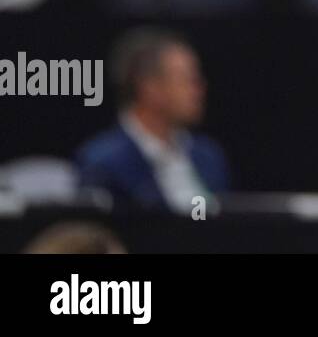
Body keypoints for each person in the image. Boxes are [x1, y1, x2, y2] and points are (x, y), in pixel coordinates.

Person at [75, 28, 229, 213]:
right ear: (151, 87)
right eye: (188, 80)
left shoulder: (208, 156)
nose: (199, 90)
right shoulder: (104, 164)